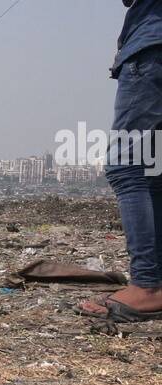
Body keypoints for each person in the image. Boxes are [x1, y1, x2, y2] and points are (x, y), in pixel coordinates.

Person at [78, 0, 162, 321]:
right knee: (155, 168)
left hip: (151, 46)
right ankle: (154, 283)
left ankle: (147, 286)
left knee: (127, 164)